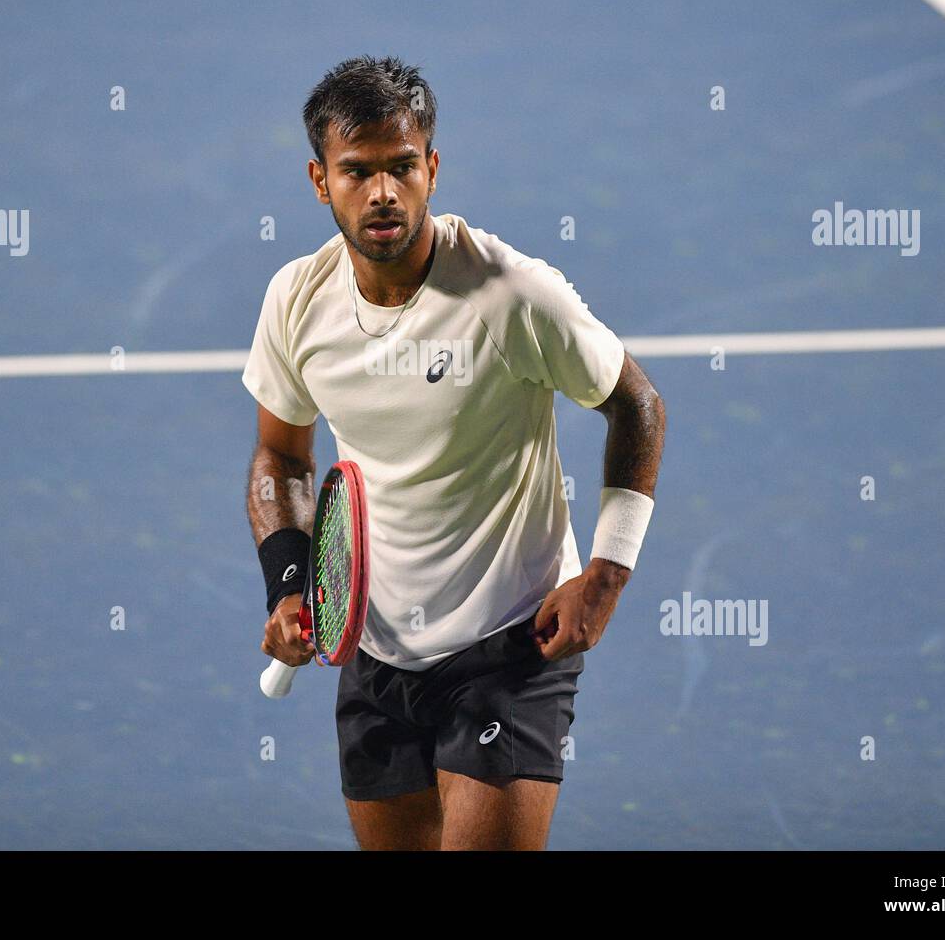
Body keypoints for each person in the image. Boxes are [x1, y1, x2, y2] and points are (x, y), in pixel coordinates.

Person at [243, 55, 665, 850]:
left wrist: (604, 577)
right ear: (318, 179)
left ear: (432, 167)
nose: (382, 192)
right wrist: (291, 582)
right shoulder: (296, 300)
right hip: (374, 649)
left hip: (508, 646)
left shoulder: (511, 296)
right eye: (356, 170)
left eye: (402, 166)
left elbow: (636, 404)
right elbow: (281, 458)